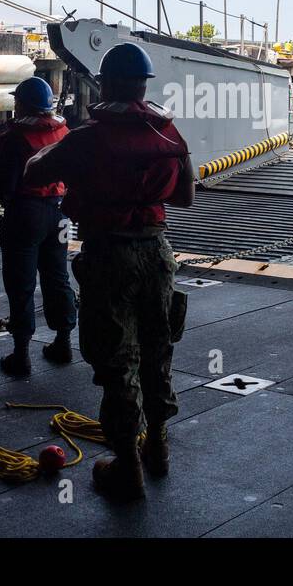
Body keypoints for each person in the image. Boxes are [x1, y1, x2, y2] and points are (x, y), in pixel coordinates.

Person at [25, 42, 195, 501]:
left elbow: (32, 173)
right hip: (158, 252)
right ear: (145, 86)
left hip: (108, 253)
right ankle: (157, 447)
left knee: (117, 358)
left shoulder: (86, 139)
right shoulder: (170, 136)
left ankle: (128, 465)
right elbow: (186, 199)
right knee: (158, 347)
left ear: (104, 85)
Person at [0, 76, 78, 377]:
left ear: (21, 104)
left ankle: (21, 355)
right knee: (58, 277)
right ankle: (63, 342)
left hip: (25, 214)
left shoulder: (12, 138)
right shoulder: (65, 133)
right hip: (60, 214)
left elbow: (1, 182)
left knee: (21, 284)